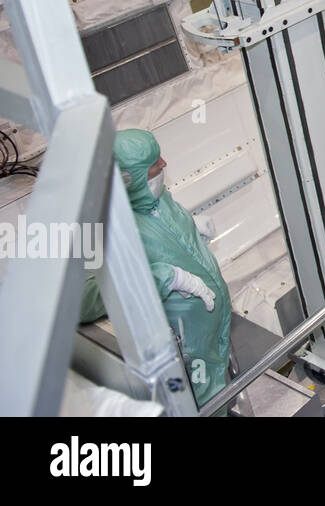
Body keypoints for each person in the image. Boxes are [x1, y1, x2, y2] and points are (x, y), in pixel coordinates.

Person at [80, 129, 232, 409]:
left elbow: (164, 235)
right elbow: (84, 299)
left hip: (211, 333)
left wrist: (190, 225)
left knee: (220, 392)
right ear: (129, 177)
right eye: (153, 163)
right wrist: (165, 277)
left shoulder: (156, 198)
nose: (163, 164)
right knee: (203, 406)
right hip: (182, 355)